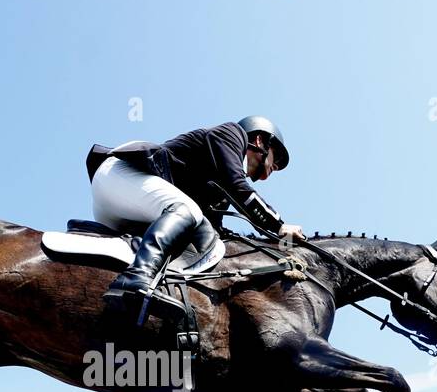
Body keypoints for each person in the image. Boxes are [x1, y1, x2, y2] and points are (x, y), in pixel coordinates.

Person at [86, 116, 304, 304]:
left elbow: (215, 231)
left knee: (199, 234)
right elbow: (239, 188)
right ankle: (136, 278)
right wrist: (279, 226)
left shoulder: (217, 190)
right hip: (120, 175)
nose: (270, 173)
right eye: (274, 163)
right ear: (259, 141)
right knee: (187, 210)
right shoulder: (231, 133)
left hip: (126, 209)